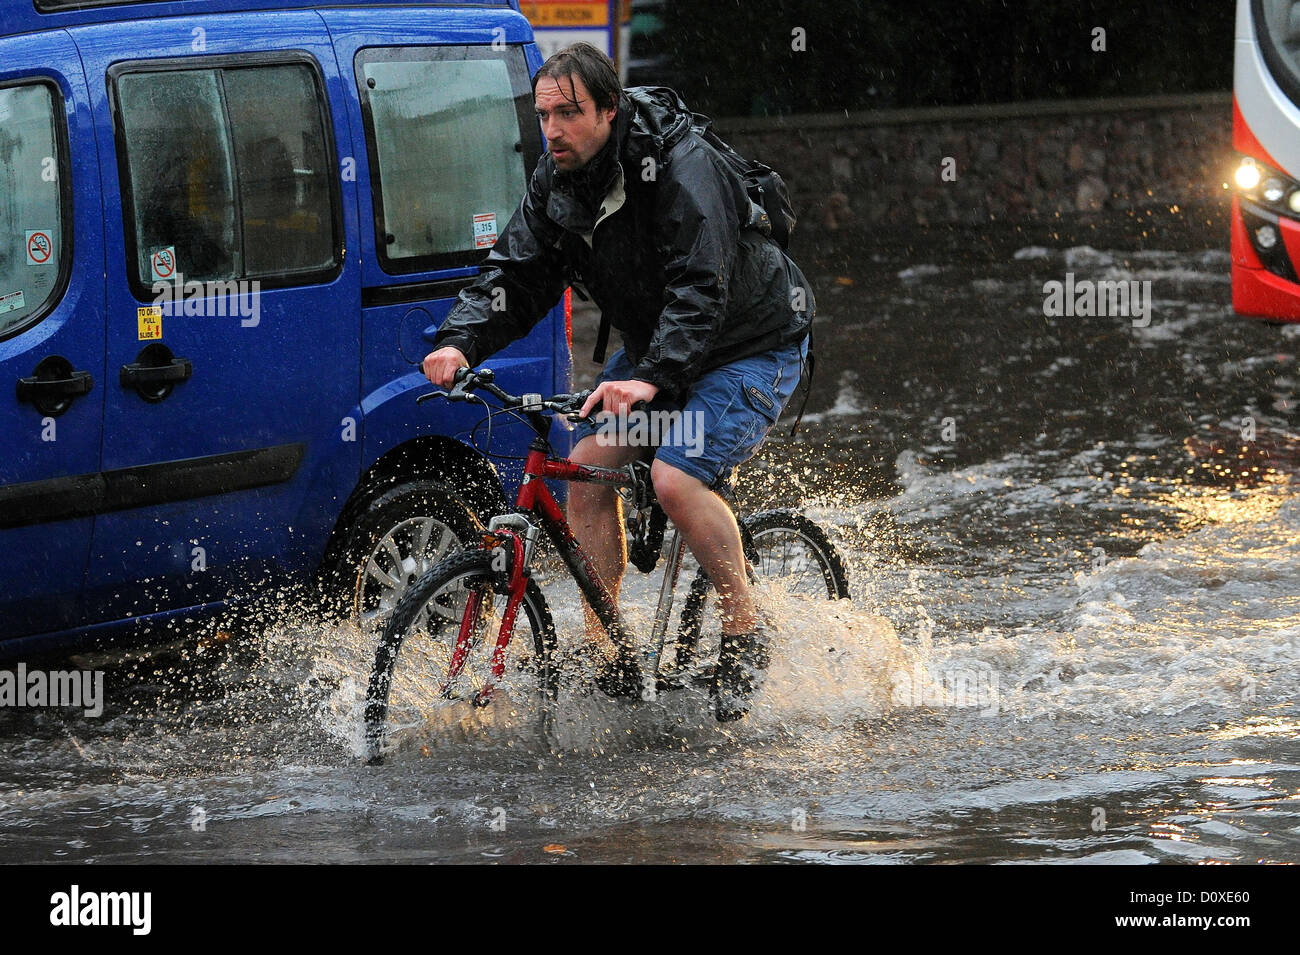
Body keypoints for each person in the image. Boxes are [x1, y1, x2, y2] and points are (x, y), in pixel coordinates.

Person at [423, 43, 813, 721]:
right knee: (581, 468)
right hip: (662, 344)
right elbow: (516, 273)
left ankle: (745, 628)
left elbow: (701, 287)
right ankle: (610, 649)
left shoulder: (682, 167)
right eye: (543, 115)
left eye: (568, 114)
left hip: (749, 341)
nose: (553, 130)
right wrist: (460, 339)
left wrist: (653, 380)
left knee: (674, 476)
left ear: (610, 108)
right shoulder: (556, 181)